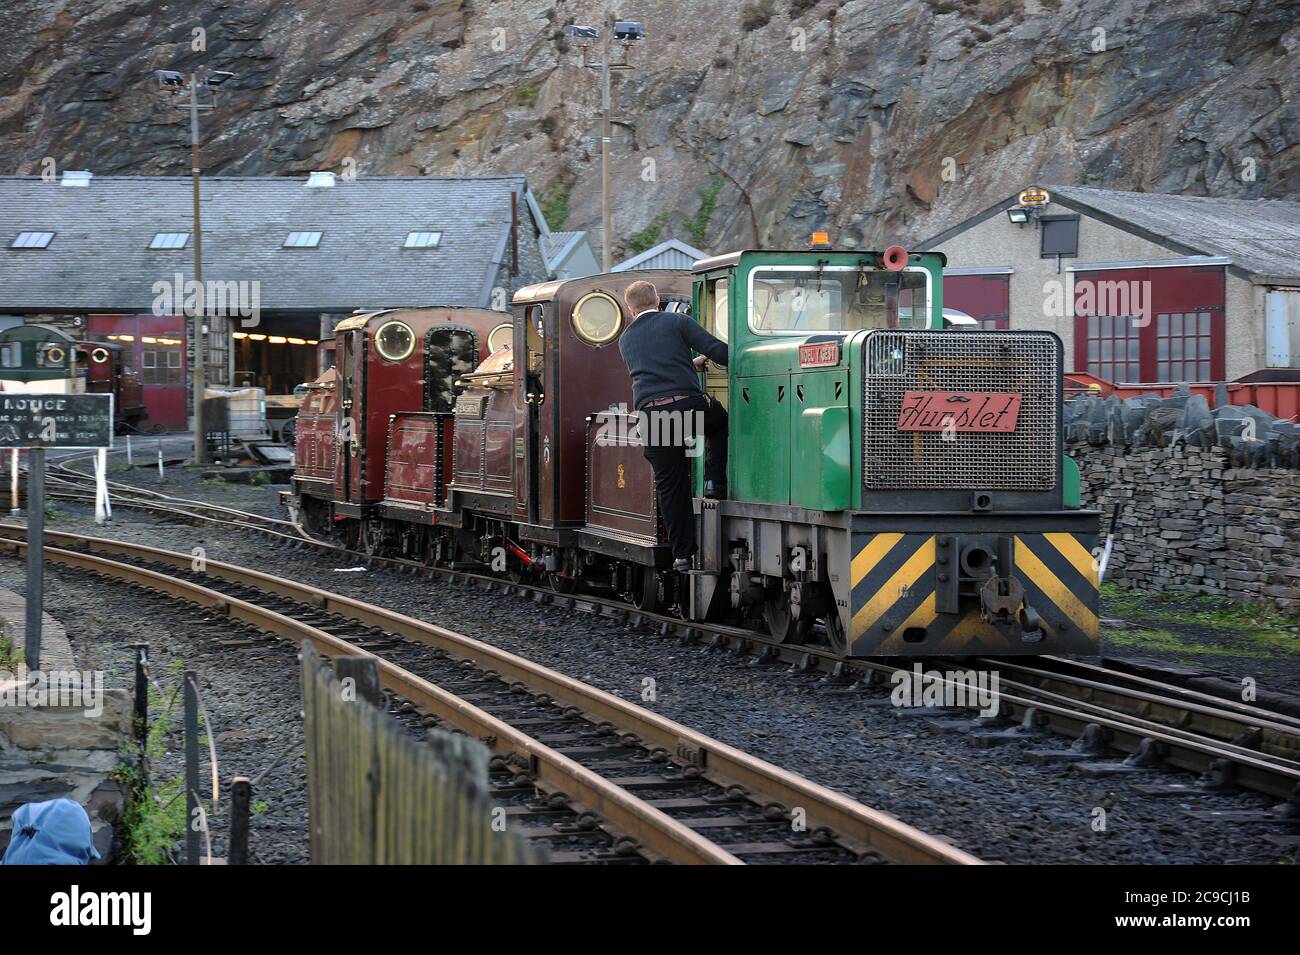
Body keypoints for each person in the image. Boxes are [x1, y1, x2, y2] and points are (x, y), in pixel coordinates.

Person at [617, 280, 728, 571]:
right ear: (658, 301)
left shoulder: (626, 340)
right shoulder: (678, 321)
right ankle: (714, 482)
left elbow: (654, 368)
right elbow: (718, 350)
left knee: (671, 485)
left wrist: (691, 364)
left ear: (631, 310)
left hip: (653, 417)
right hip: (687, 406)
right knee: (718, 422)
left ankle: (682, 554)